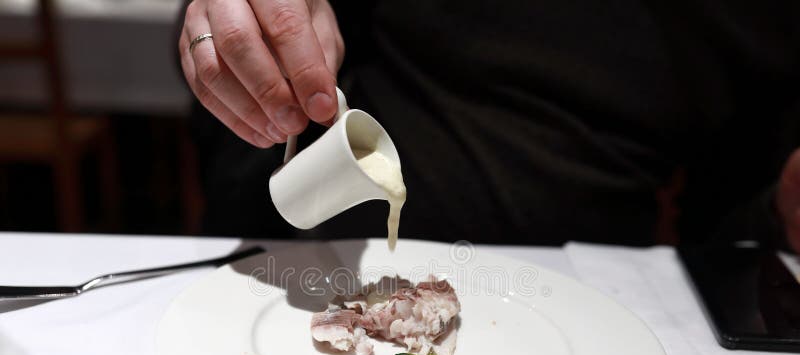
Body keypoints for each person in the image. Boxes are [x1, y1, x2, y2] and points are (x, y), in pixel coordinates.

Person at [177, 0, 800, 250]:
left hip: (594, 313)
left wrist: (777, 212)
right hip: (305, 268)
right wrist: (235, 32)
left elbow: (736, 218)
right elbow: (247, 27)